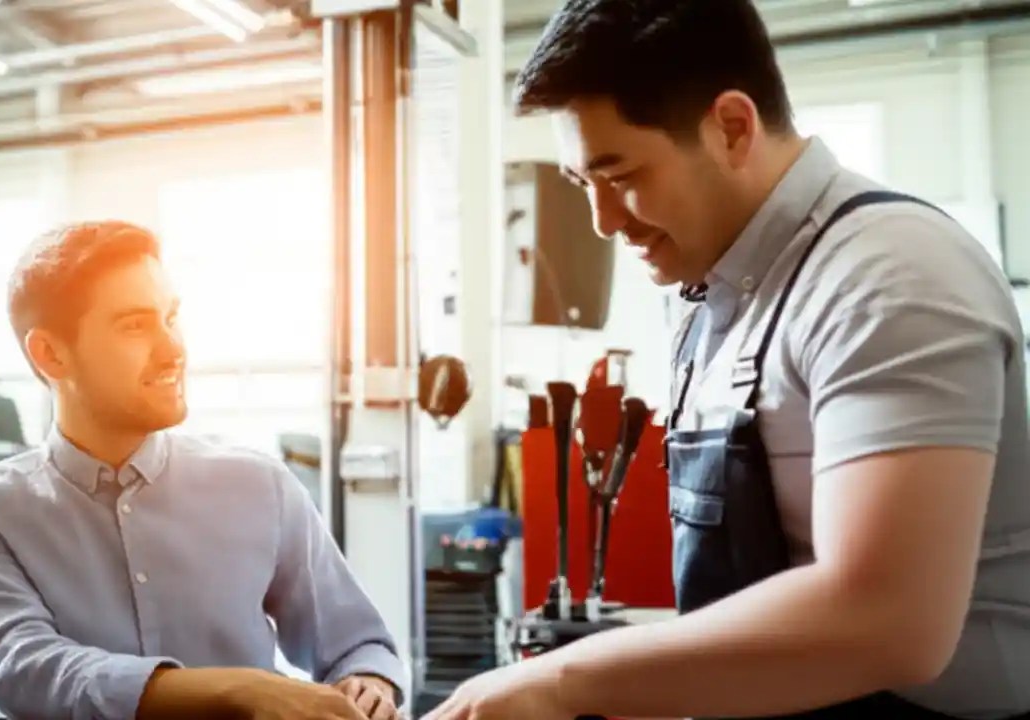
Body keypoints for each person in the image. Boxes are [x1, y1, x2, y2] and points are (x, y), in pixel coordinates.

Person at [426, 1, 1030, 719]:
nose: (603, 221)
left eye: (618, 175)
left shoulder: (887, 274)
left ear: (733, 128)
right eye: (582, 184)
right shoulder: (701, 293)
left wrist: (566, 681)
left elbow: (891, 620)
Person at [0, 221, 404, 720]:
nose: (173, 349)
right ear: (50, 354)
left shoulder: (259, 485)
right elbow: (21, 667)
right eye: (135, 325)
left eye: (171, 317)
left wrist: (367, 683)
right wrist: (234, 692)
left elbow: (357, 643)